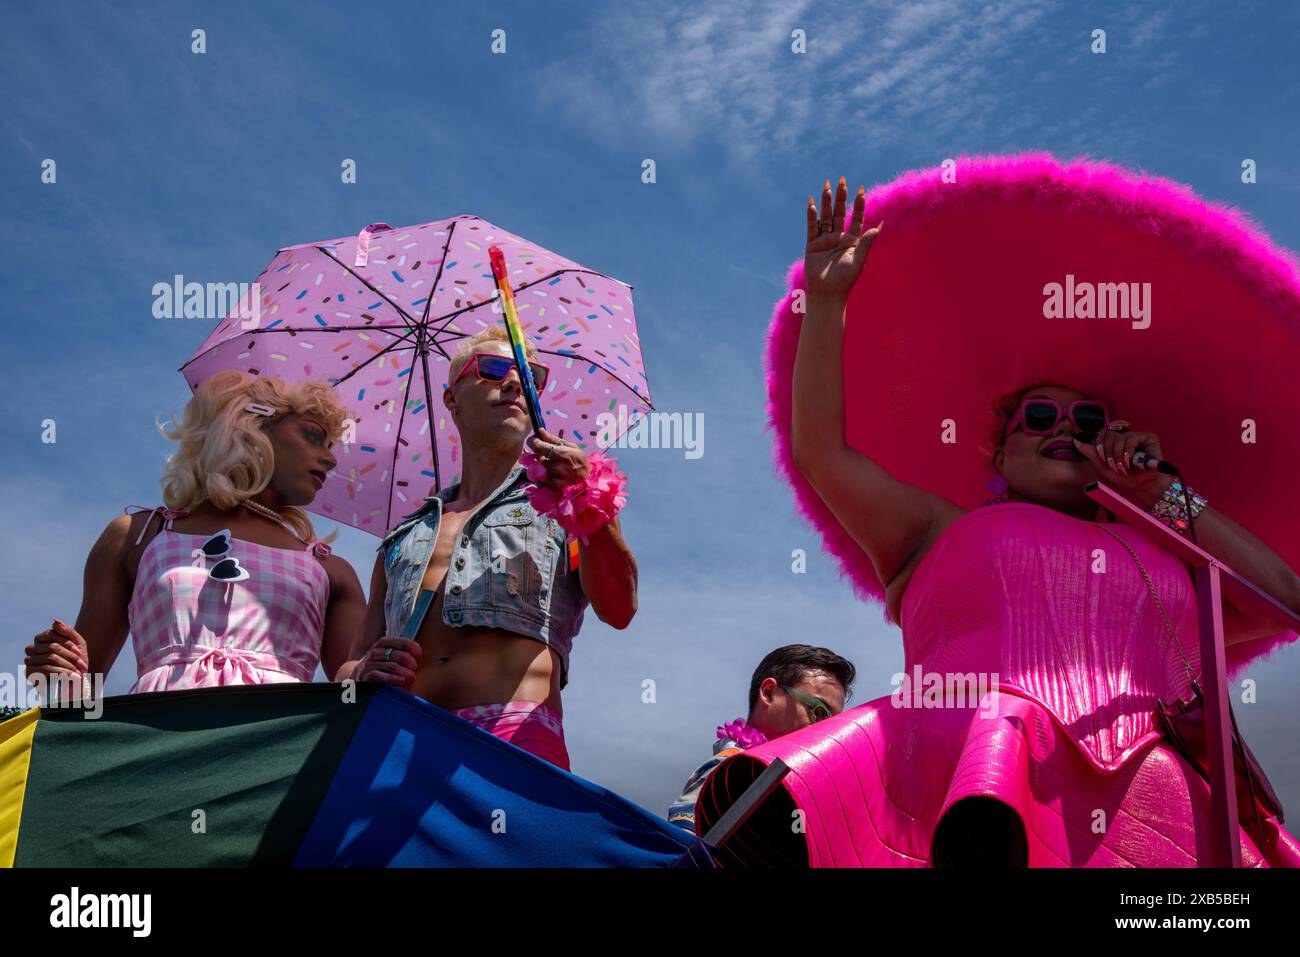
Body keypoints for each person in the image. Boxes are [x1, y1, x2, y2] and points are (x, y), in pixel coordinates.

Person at [762, 175, 1300, 865]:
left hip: (1152, 813)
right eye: (1039, 416)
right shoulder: (938, 527)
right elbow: (822, 452)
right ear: (999, 449)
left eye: (1087, 421)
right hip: (967, 793)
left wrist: (1164, 494)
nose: (1064, 429)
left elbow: (1283, 599)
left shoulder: (1162, 553)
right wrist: (828, 300)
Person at [337, 327, 638, 770]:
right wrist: (361, 673)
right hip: (397, 745)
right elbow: (348, 666)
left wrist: (591, 500)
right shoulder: (402, 537)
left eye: (531, 375)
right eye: (494, 369)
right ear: (451, 398)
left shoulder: (567, 501)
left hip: (514, 737)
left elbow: (619, 609)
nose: (516, 383)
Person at [24, 371, 366, 695]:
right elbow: (79, 700)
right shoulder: (137, 536)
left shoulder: (331, 571)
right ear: (251, 427)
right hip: (157, 742)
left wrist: (381, 664)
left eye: (332, 445)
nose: (330, 460)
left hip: (281, 750)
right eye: (312, 435)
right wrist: (62, 675)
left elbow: (359, 697)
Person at [668, 644, 854, 833]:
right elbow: (681, 844)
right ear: (768, 692)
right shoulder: (731, 771)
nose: (825, 731)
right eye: (819, 711)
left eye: (833, 723)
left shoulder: (798, 792)